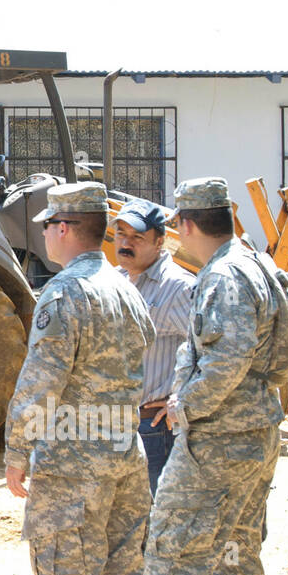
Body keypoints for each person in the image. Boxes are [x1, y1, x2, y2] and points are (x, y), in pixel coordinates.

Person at [144, 178, 288, 575]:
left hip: (217, 442)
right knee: (236, 551)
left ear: (188, 225)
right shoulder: (261, 265)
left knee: (172, 548)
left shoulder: (223, 276)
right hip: (258, 433)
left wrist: (184, 405)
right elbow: (286, 355)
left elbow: (227, 358)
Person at [4, 181, 156, 575]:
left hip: (73, 467)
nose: (45, 233)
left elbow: (41, 382)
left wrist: (17, 450)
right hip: (125, 457)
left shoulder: (65, 291)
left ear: (65, 228)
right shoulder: (127, 288)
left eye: (48, 224)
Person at [113, 198, 195, 495]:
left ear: (160, 242)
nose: (126, 243)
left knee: (154, 517)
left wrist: (181, 397)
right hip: (119, 425)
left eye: (137, 237)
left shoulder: (178, 288)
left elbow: (215, 351)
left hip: (154, 430)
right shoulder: (117, 281)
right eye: (121, 234)